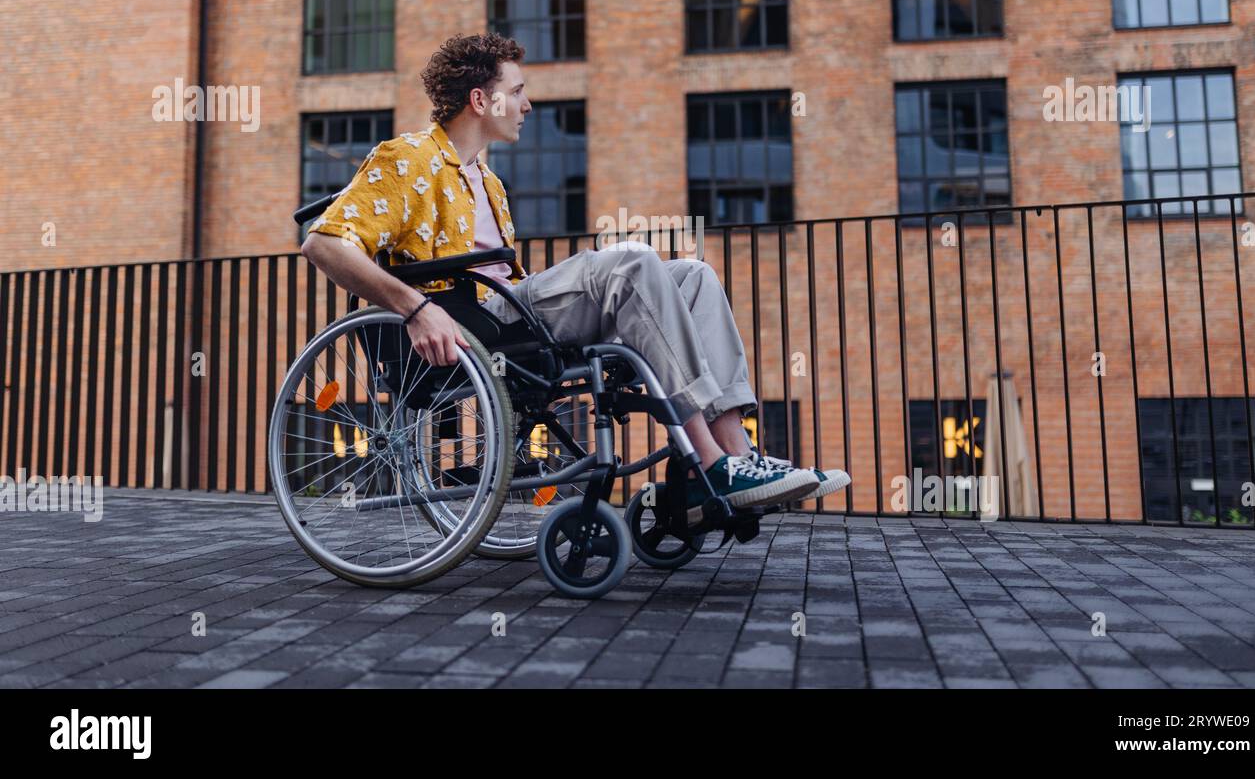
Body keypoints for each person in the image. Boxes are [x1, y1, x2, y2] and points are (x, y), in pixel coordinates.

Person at [300, 32, 849, 514]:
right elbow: (323, 245)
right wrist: (415, 310)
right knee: (632, 260)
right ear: (479, 99)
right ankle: (712, 465)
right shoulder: (407, 158)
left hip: (510, 308)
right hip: (478, 316)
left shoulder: (488, 183)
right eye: (516, 92)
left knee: (694, 275)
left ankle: (738, 455)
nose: (528, 104)